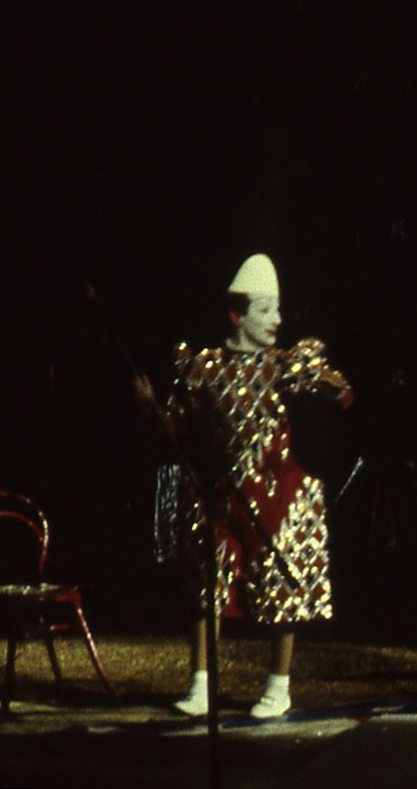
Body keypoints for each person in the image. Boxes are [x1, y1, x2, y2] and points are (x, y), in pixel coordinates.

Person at [142, 253, 353, 720]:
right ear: (237, 315)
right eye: (265, 311)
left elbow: (340, 397)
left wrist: (327, 383)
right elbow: (177, 429)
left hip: (276, 493)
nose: (277, 320)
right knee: (206, 588)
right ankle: (201, 684)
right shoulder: (203, 367)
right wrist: (151, 408)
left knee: (281, 588)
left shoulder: (283, 366)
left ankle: (279, 686)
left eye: (279, 310)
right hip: (218, 495)